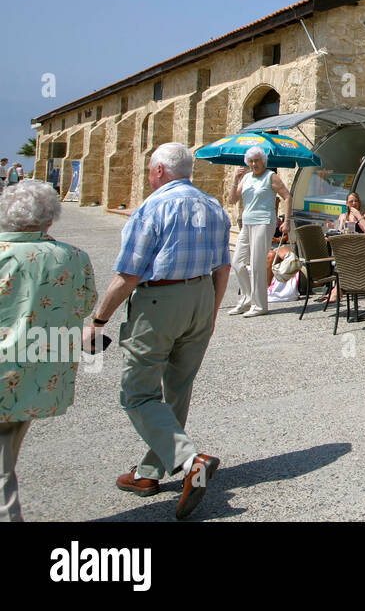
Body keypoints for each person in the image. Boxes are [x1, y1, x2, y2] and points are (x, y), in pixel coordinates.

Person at [84, 143, 230, 519]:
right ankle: (149, 472)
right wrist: (211, 312)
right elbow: (223, 267)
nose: (149, 176)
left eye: (150, 170)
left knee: (137, 392)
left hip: (159, 301)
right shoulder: (213, 205)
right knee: (179, 388)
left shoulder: (153, 207)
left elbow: (129, 274)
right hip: (201, 296)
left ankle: (189, 459)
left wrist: (99, 320)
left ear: (160, 171)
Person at [0, 182, 96, 522]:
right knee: (6, 454)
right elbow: (84, 304)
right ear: (50, 220)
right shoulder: (72, 257)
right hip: (38, 373)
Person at [225, 147, 291, 318]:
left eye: (257, 160)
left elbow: (287, 196)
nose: (254, 164)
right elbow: (232, 200)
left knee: (257, 264)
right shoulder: (246, 178)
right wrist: (235, 179)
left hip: (264, 221)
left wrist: (287, 221)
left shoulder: (270, 177)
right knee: (238, 262)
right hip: (247, 222)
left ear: (263, 161)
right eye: (251, 161)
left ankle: (260, 304)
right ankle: (247, 298)